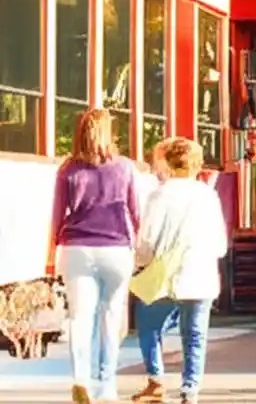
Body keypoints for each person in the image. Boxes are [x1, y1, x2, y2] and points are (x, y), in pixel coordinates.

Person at [47, 108, 140, 404]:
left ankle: (80, 380)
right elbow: (135, 211)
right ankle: (107, 385)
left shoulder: (68, 169)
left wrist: (50, 255)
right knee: (111, 318)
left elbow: (57, 215)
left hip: (76, 248)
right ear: (108, 132)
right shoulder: (125, 167)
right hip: (116, 248)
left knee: (80, 317)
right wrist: (137, 246)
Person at [129, 138, 228, 404]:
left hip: (165, 275)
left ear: (168, 162)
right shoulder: (208, 194)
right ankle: (190, 388)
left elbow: (147, 240)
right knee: (195, 333)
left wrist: (140, 263)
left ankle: (156, 380)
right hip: (202, 274)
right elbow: (220, 244)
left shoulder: (159, 195)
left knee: (148, 325)